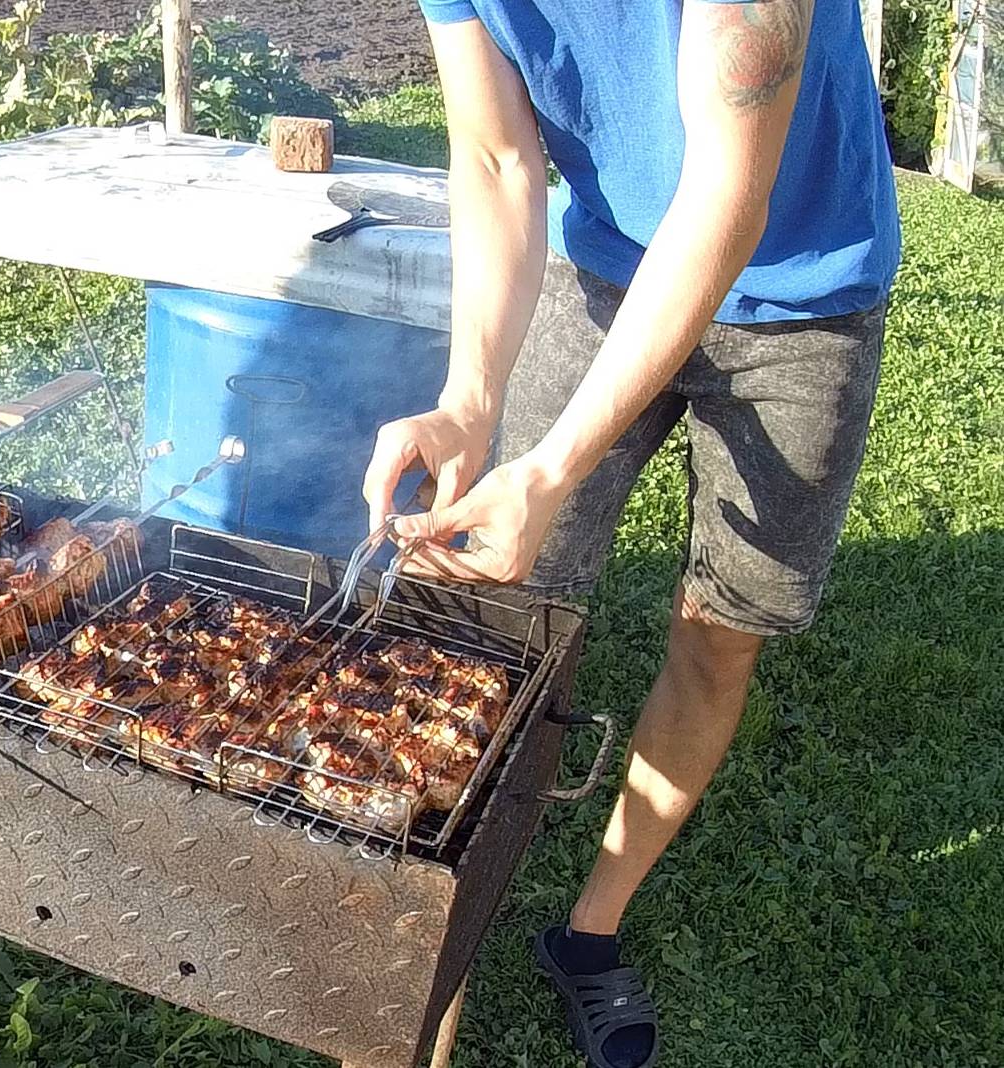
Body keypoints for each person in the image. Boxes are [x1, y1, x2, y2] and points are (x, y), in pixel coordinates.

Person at [360, 3, 897, 1067]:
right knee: (489, 612)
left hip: (805, 299)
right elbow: (496, 154)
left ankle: (589, 931)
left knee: (718, 633)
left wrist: (551, 467)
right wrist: (470, 399)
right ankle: (428, 940)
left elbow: (725, 194)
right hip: (607, 265)